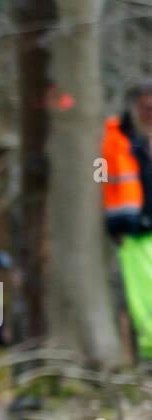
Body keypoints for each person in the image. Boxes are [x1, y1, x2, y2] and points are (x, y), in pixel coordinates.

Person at [101, 78, 152, 361]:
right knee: (145, 301)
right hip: (134, 231)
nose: (150, 114)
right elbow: (107, 181)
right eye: (146, 108)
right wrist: (116, 225)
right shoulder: (118, 139)